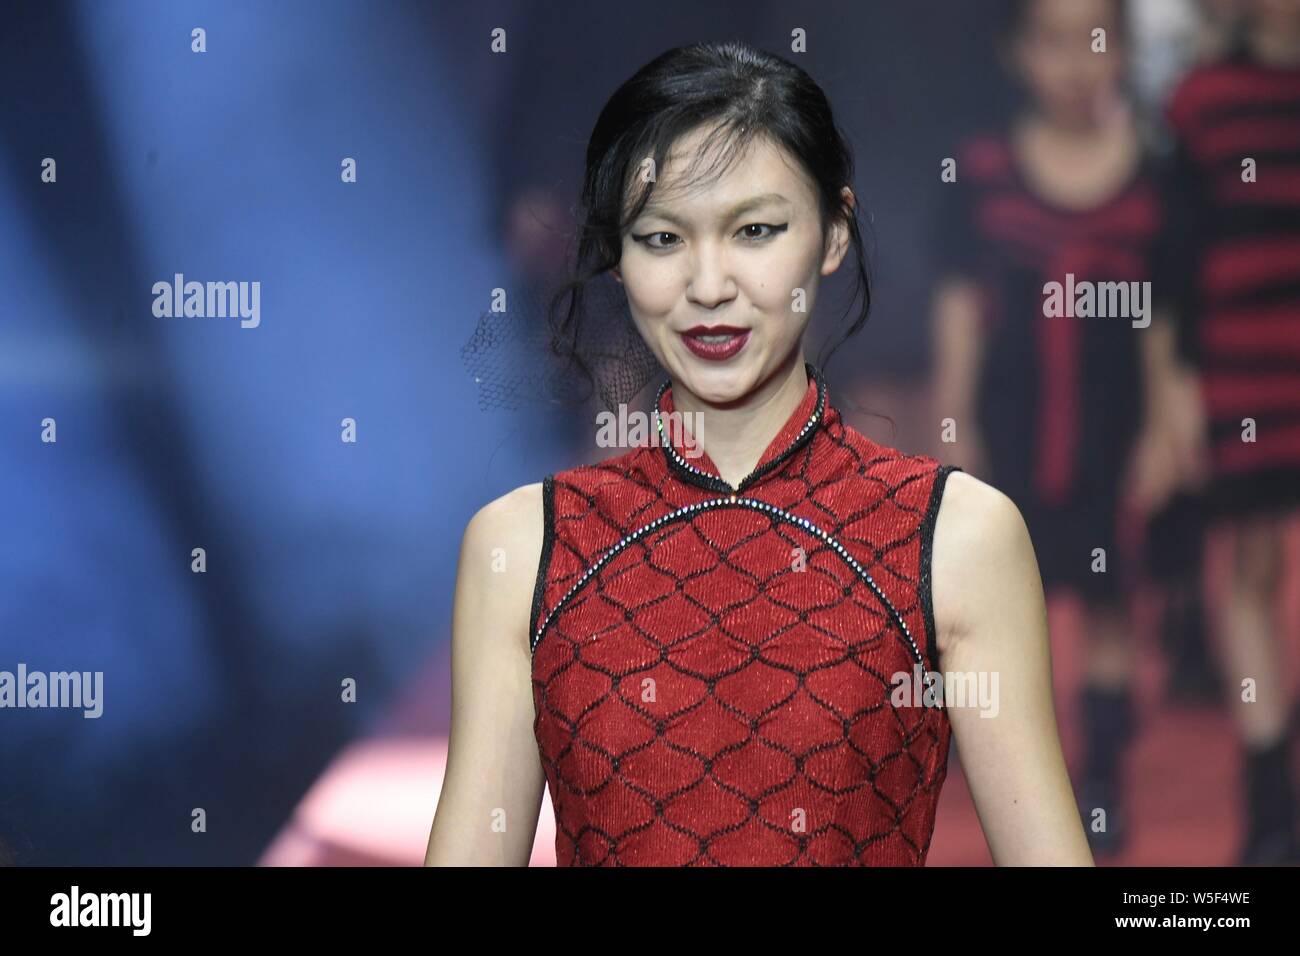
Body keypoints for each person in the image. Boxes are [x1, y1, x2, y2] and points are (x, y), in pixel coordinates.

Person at [426, 39, 1093, 866]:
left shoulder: (956, 536)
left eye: (755, 230)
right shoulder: (523, 547)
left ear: (833, 234)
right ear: (619, 257)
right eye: (662, 238)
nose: (708, 284)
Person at [930, 0, 1177, 857]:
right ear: (1017, 53)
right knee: (999, 596)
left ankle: (1101, 781)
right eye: (1055, 43)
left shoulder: (1151, 172)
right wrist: (953, 414)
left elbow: (1163, 318)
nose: (1077, 64)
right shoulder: (983, 168)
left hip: (1114, 425)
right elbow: (960, 302)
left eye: (1097, 42)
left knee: (1108, 598)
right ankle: (1001, 764)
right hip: (1012, 421)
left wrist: (1168, 427)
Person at [1155, 0, 1300, 865]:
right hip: (1241, 373)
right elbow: (1171, 259)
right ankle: (1271, 803)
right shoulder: (1202, 100)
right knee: (1249, 568)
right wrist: (1173, 391)